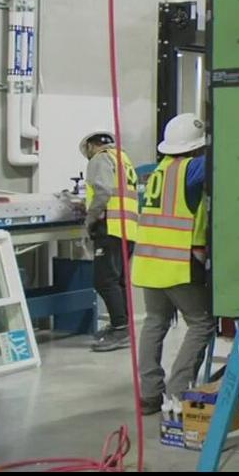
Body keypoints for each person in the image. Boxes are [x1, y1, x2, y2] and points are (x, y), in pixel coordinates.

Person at [131, 114, 213, 414]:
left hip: (148, 261)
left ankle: (150, 395)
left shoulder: (159, 171)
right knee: (201, 324)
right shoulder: (192, 169)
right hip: (177, 262)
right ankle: (179, 391)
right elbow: (219, 161)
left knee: (154, 323)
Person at [80, 130, 139, 352]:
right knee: (119, 280)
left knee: (104, 280)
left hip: (111, 227)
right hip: (128, 227)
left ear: (91, 146)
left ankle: (120, 329)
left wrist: (90, 218)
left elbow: (103, 192)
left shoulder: (99, 158)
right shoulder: (123, 159)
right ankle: (123, 326)